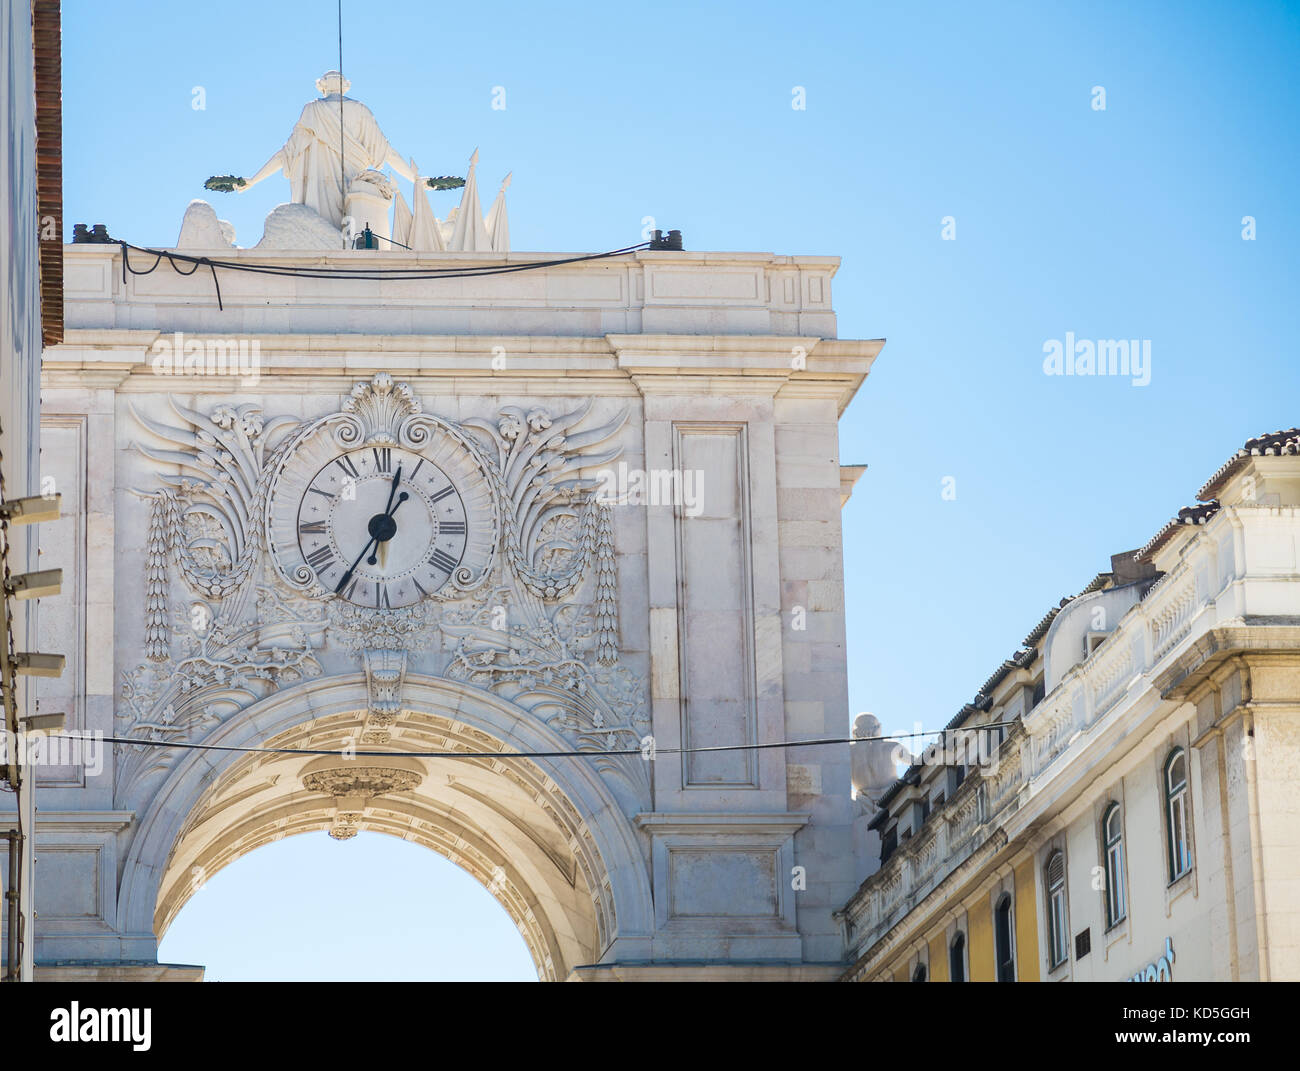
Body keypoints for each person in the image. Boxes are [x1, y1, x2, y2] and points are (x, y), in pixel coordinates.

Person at [237, 71, 417, 229]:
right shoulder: (358, 110)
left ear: (322, 86)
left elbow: (286, 153)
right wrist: (415, 179)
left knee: (324, 232)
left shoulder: (312, 110)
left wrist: (254, 180)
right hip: (351, 185)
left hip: (320, 190)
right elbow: (387, 152)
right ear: (345, 86)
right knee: (351, 235)